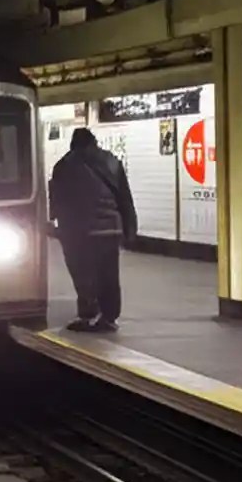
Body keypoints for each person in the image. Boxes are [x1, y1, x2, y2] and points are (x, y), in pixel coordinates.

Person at [48, 127, 138, 332]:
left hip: (80, 231)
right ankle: (109, 316)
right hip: (110, 230)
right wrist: (129, 227)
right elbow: (124, 196)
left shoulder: (64, 165)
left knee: (83, 273)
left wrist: (55, 223)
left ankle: (88, 314)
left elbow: (58, 199)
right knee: (109, 274)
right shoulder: (112, 161)